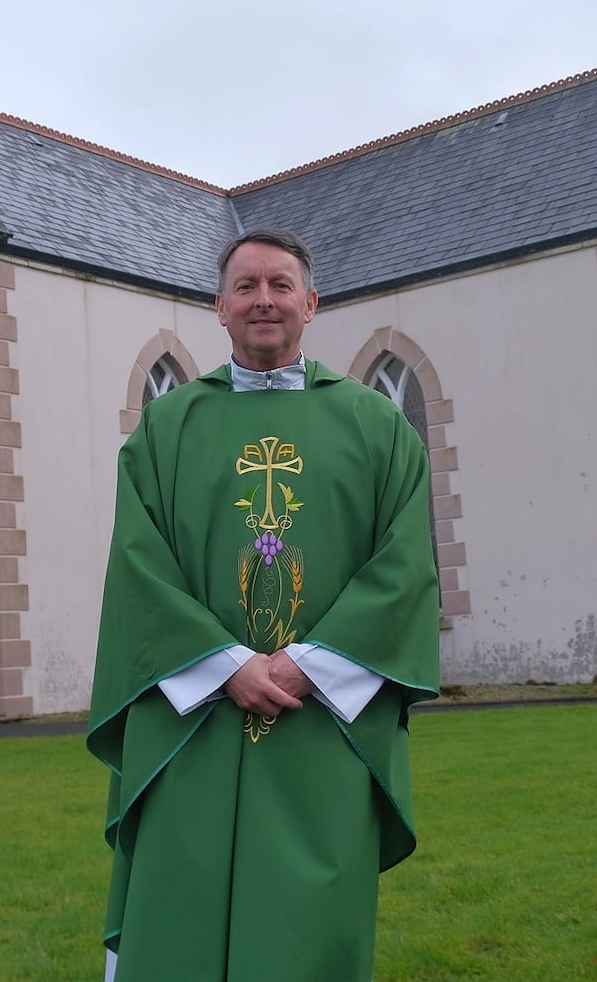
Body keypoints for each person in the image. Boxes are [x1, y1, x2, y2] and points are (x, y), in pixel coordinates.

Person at [87, 228, 441, 981]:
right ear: (219, 306)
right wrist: (227, 666)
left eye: (281, 285)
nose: (263, 300)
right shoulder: (166, 428)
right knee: (178, 914)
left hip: (322, 727)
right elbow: (138, 567)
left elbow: (404, 567)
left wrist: (307, 665)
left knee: (301, 935)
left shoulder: (378, 427)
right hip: (195, 726)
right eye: (245, 286)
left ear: (311, 303)